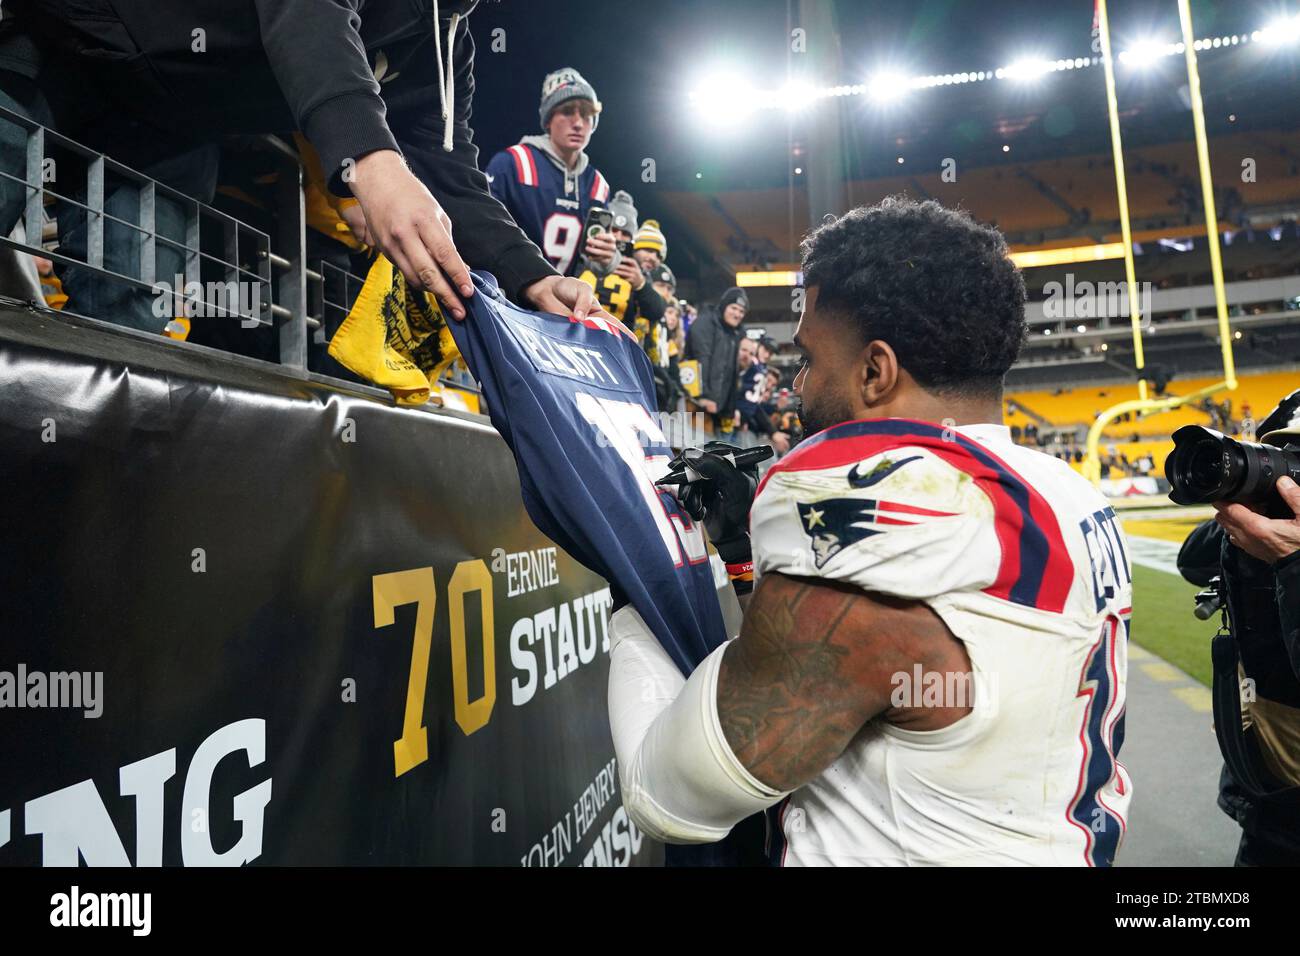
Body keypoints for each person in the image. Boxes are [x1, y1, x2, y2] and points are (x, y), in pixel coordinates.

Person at [605, 198, 1134, 865]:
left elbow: (667, 797)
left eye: (809, 359)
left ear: (874, 371)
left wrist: (635, 590)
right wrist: (742, 557)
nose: (797, 384)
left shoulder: (890, 540)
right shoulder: (1062, 491)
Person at [1, 0, 597, 330]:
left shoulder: (447, 37)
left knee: (129, 323)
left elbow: (449, 166)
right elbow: (308, 12)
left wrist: (532, 275)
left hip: (164, 129)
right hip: (55, 40)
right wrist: (370, 157)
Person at [1179, 389, 1300, 865]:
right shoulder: (1274, 524)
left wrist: (1293, 560)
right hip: (1270, 797)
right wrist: (1244, 499)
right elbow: (1191, 561)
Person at [485, 67, 611, 278]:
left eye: (587, 115)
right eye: (568, 111)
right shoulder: (512, 163)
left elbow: (591, 264)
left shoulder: (597, 185)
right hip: (509, 300)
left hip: (561, 304)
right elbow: (483, 234)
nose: (579, 123)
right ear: (549, 118)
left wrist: (607, 257)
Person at [575, 189, 667, 352]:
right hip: (573, 337)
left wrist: (641, 285)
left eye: (625, 233)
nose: (618, 237)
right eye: (614, 229)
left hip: (615, 348)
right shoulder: (580, 255)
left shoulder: (636, 270)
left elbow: (656, 311)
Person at [686, 286, 748, 424]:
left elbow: (730, 373)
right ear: (724, 305)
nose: (737, 314)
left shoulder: (733, 333)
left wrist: (731, 410)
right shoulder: (705, 323)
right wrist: (704, 396)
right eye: (734, 308)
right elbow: (701, 359)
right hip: (698, 405)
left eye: (741, 311)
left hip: (718, 409)